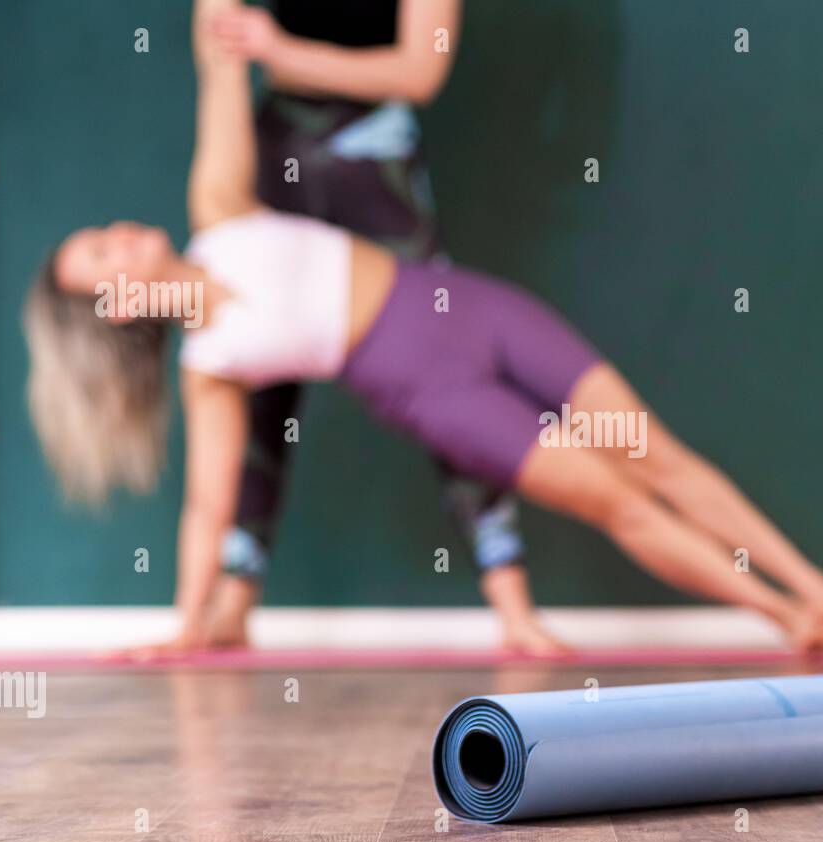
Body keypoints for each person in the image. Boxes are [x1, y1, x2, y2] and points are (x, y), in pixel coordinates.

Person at [24, 0, 823, 654]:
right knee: (618, 499)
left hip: (480, 311)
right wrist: (187, 623)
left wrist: (228, 29)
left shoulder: (219, 206)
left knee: (655, 452)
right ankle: (781, 615)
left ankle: (813, 587)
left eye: (101, 234)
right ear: (120, 307)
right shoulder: (211, 368)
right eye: (102, 254)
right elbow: (207, 509)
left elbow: (218, 59)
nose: (118, 233)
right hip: (440, 395)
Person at [197, 0, 565, 655]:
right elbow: (219, 53)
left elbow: (419, 72)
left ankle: (512, 601)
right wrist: (220, 197)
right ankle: (231, 601)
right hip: (277, 151)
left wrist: (280, 51)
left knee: (449, 367)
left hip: (379, 155)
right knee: (256, 378)